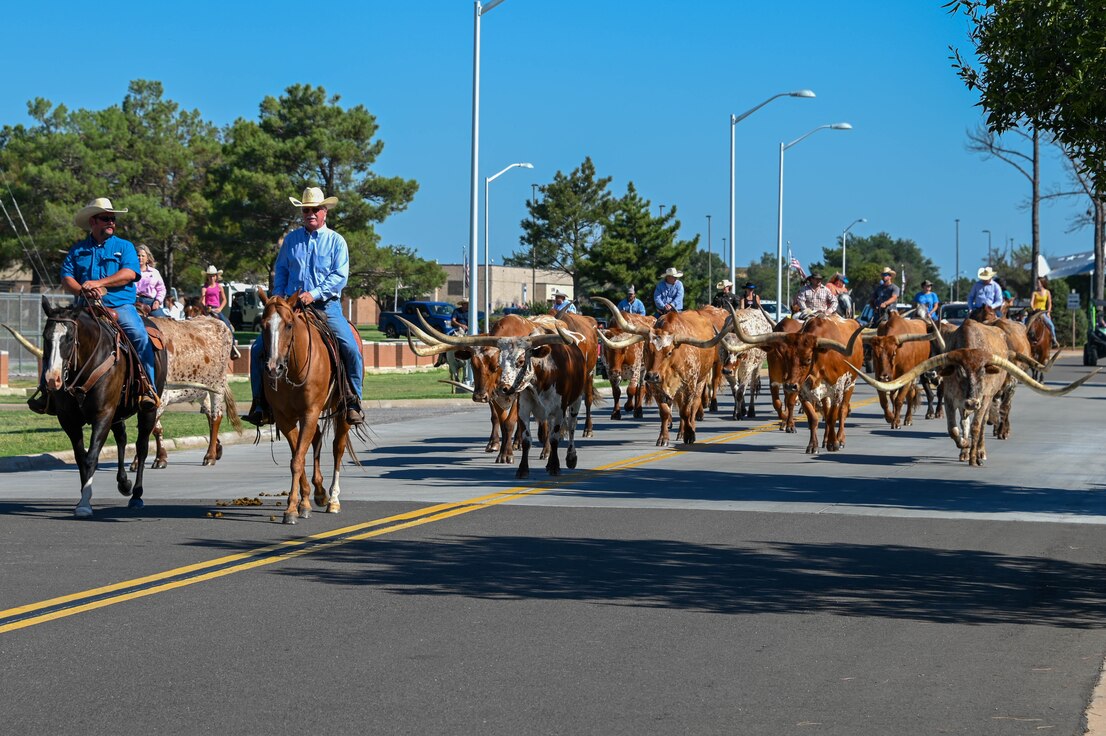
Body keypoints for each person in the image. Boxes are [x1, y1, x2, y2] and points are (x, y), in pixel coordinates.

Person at [245, 187, 365, 426]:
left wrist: (315, 293)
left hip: (325, 306)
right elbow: (282, 271)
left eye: (315, 209)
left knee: (349, 346)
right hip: (291, 308)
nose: (310, 213)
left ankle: (352, 399)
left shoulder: (336, 242)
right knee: (259, 348)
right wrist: (277, 298)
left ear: (324, 212)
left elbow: (340, 276)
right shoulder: (291, 240)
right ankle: (260, 403)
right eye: (306, 210)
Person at [29, 197, 159, 414]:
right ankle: (46, 391)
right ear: (93, 221)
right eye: (106, 218)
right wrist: (81, 290)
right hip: (84, 309)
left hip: (119, 307)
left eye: (113, 219)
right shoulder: (78, 250)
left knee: (139, 335)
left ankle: (148, 389)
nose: (111, 222)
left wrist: (100, 283)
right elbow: (66, 277)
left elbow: (129, 274)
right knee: (55, 336)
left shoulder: (124, 247)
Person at [135, 244, 167, 317]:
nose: (140, 258)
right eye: (138, 255)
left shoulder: (154, 272)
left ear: (147, 258)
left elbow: (162, 289)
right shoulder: (130, 271)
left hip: (149, 302)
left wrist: (158, 301)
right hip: (133, 301)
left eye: (143, 256)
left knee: (163, 320)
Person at [201, 265, 233, 331]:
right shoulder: (204, 288)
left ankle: (232, 340)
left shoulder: (219, 287)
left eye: (213, 276)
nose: (212, 278)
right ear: (207, 277)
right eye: (210, 276)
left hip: (216, 309)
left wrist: (220, 309)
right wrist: (205, 309)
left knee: (227, 325)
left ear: (216, 276)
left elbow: (224, 300)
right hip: (207, 309)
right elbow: (203, 301)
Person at [1030, 276, 1059, 347]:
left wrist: (1048, 312)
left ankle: (1054, 340)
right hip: (1035, 312)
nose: (1037, 284)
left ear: (1042, 283)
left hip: (1042, 312)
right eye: (1037, 283)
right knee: (1025, 324)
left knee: (1051, 326)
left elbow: (1049, 303)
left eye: (1038, 283)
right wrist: (1033, 308)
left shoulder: (1047, 292)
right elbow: (1031, 303)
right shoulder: (1034, 293)